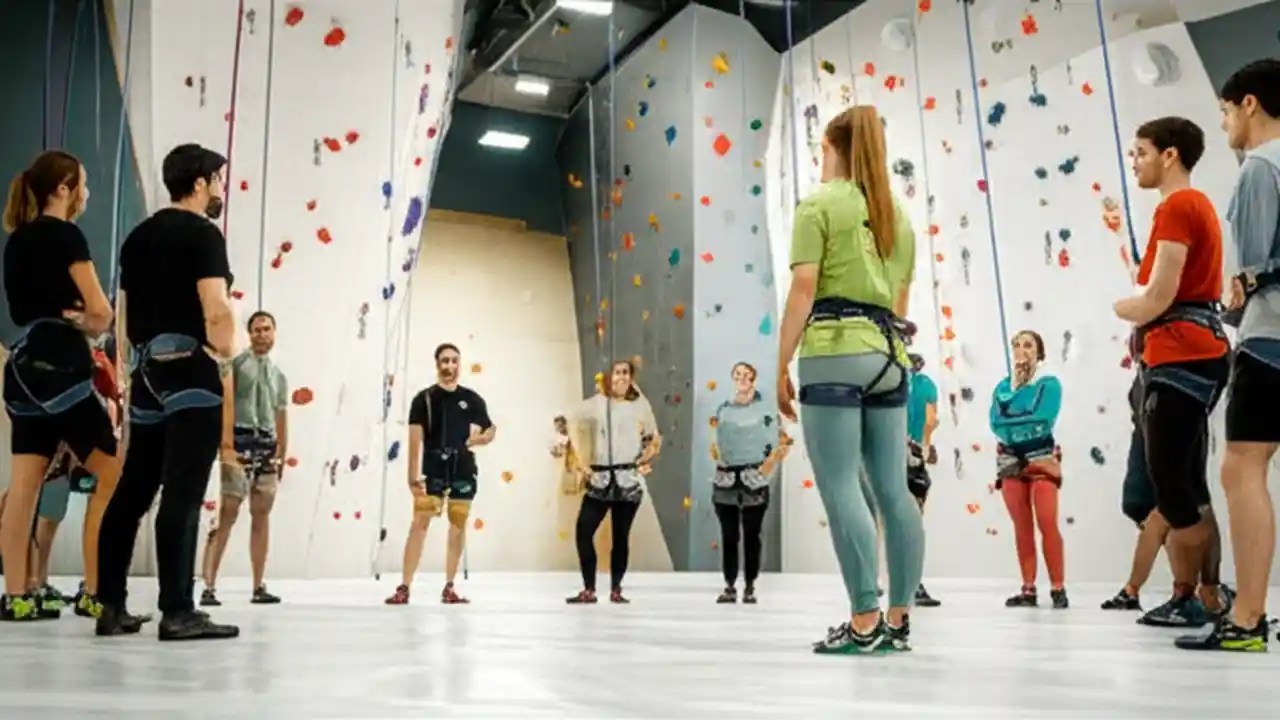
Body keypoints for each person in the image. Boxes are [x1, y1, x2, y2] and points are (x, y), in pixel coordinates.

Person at [776, 105, 924, 654]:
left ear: (832, 147)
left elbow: (802, 291)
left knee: (841, 488)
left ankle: (864, 621)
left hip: (834, 352)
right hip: (889, 356)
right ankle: (899, 620)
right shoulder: (898, 217)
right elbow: (901, 304)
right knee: (894, 491)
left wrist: (780, 363)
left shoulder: (818, 205)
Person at [96, 143, 239, 640]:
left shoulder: (137, 237)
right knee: (183, 490)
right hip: (191, 373)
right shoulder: (203, 234)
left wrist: (130, 372)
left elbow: (124, 313)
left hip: (147, 374)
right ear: (199, 183)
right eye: (218, 180)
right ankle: (178, 609)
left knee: (134, 487)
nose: (220, 189)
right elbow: (215, 307)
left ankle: (110, 605)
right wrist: (226, 350)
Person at [1112, 117, 1234, 638]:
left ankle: (1194, 597)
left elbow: (1159, 295)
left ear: (1170, 154)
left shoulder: (1179, 206)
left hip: (1181, 356)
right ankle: (1204, 592)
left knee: (1174, 487)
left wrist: (1124, 307)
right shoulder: (1192, 206)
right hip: (1188, 354)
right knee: (1186, 484)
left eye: (1141, 152)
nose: (1134, 161)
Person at [1178, 59, 1280, 652]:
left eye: (1223, 112)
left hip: (1270, 338)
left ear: (1248, 103)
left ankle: (1246, 618)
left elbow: (1248, 274)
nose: (1222, 126)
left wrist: (1231, 303)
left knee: (1240, 466)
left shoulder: (1260, 168)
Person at [1, 150, 122, 622]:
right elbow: (101, 311)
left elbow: (17, 313)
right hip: (62, 368)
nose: (87, 194)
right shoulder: (67, 235)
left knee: (23, 487)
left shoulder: (16, 241)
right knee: (110, 473)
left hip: (23, 370)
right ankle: (95, 591)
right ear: (64, 188)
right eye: (84, 185)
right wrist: (85, 320)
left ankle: (16, 597)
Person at [385, 343, 495, 605]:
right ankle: (404, 586)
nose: (449, 366)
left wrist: (479, 440)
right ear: (437, 364)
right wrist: (412, 476)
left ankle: (449, 586)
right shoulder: (423, 399)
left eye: (454, 361)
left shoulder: (473, 399)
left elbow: (491, 430)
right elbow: (414, 440)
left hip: (463, 471)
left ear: (460, 364)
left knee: (457, 527)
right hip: (432, 471)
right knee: (419, 525)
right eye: (444, 361)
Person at [201, 310, 289, 606]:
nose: (262, 334)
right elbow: (225, 402)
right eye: (257, 329)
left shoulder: (278, 376)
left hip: (267, 445)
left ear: (274, 333)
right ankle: (209, 585)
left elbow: (281, 414)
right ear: (249, 334)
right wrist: (225, 445)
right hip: (239, 441)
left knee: (262, 515)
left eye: (267, 329)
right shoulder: (237, 365)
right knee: (228, 512)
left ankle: (258, 585)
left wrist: (281, 453)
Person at [564, 360, 662, 604]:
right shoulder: (596, 404)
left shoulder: (639, 406)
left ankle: (616, 588)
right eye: (617, 373)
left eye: (625, 373)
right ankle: (590, 588)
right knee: (584, 531)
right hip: (599, 479)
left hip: (627, 480)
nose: (621, 377)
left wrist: (646, 455)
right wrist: (580, 460)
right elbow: (572, 419)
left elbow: (654, 437)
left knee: (621, 536)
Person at [990, 330, 1067, 609]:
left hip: (1042, 458)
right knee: (1022, 527)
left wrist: (1016, 419)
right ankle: (1028, 588)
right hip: (1010, 460)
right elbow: (996, 424)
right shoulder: (1003, 387)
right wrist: (1021, 421)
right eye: (1017, 345)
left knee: (1047, 522)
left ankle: (1058, 587)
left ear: (1039, 351)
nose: (1022, 349)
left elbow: (1044, 418)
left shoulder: (1049, 384)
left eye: (1028, 344)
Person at [709, 361, 789, 604]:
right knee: (729, 535)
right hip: (726, 478)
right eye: (738, 374)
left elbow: (781, 441)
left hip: (755, 477)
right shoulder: (722, 408)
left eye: (747, 375)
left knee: (752, 534)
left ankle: (751, 585)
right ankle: (730, 584)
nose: (743, 379)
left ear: (753, 378)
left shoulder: (765, 410)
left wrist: (768, 467)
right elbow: (714, 441)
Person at [551, 414, 611, 572]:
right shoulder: (566, 441)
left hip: (584, 478)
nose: (559, 429)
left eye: (561, 426)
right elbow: (558, 453)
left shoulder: (578, 441)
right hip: (576, 479)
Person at [905, 353, 941, 607]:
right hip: (914, 453)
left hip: (889, 452)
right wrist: (926, 447)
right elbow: (930, 421)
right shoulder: (925, 384)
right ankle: (912, 584)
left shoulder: (886, 379)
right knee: (912, 523)